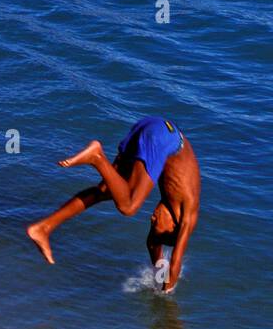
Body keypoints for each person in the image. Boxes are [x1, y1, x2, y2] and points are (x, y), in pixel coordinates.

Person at [27, 116, 201, 294]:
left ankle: (43, 228)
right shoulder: (188, 216)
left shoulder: (169, 217)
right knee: (129, 207)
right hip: (163, 137)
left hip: (151, 125)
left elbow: (153, 246)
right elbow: (175, 263)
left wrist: (158, 285)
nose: (152, 217)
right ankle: (96, 157)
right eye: (156, 224)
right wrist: (168, 293)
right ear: (173, 226)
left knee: (104, 190)